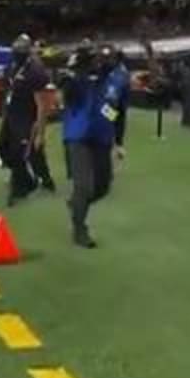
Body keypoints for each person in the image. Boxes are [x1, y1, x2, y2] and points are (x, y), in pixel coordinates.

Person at [59, 41, 124, 248]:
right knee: (84, 186)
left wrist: (119, 141)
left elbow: (119, 112)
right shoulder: (81, 78)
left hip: (103, 138)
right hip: (78, 137)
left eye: (107, 59)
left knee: (103, 187)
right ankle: (80, 229)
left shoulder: (119, 80)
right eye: (99, 58)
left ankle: (76, 205)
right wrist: (77, 69)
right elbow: (68, 92)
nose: (103, 62)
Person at [0, 34, 57, 206]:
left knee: (21, 151)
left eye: (21, 51)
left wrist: (40, 131)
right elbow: (9, 88)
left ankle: (20, 188)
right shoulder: (12, 66)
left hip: (27, 116)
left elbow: (42, 103)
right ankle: (36, 179)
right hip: (11, 113)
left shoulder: (36, 71)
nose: (18, 54)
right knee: (3, 145)